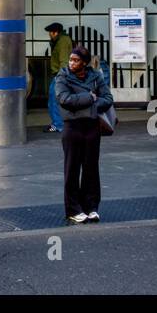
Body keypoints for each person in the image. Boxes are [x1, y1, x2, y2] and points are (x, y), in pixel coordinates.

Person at [54, 45, 113, 224]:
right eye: (71, 59)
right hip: (72, 128)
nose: (72, 63)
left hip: (92, 128)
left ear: (85, 63)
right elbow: (64, 99)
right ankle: (73, 209)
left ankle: (91, 207)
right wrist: (90, 98)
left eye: (76, 60)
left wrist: (86, 105)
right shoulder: (62, 77)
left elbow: (108, 99)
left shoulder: (95, 76)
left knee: (91, 169)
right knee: (71, 169)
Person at [44, 22, 72, 133]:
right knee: (55, 101)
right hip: (60, 75)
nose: (49, 35)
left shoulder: (63, 42)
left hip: (60, 75)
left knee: (53, 101)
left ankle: (58, 125)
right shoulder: (60, 41)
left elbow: (64, 61)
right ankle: (59, 123)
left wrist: (60, 77)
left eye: (50, 33)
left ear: (55, 32)